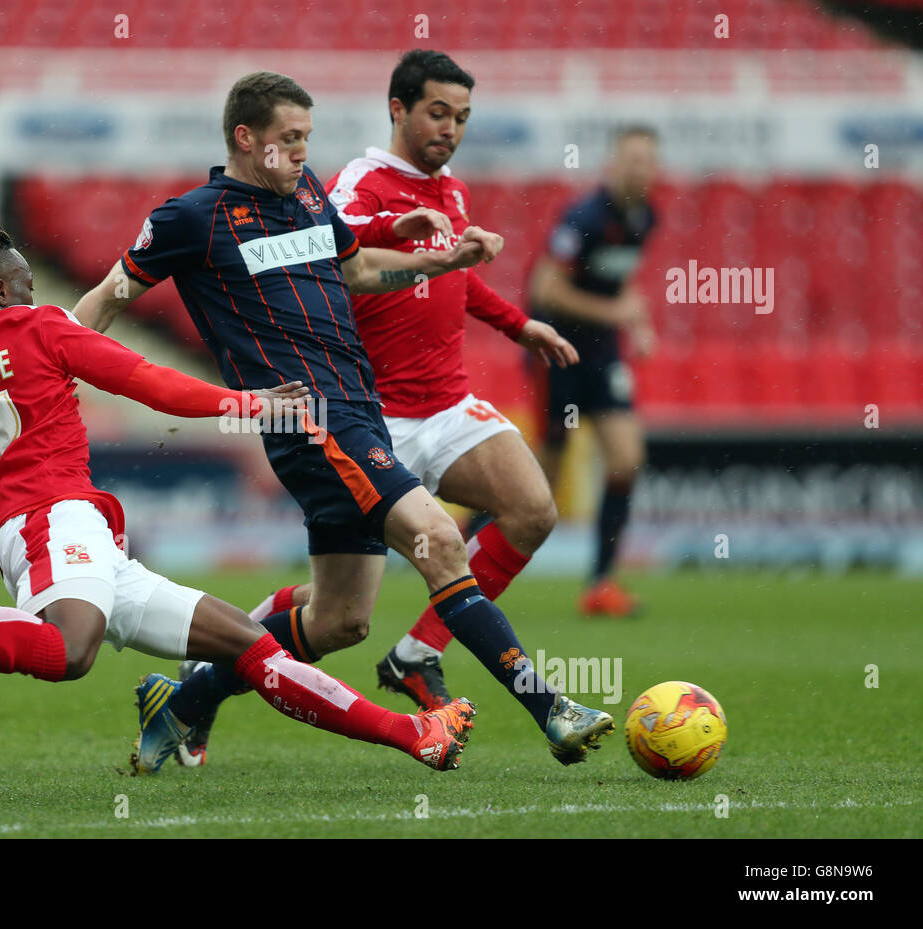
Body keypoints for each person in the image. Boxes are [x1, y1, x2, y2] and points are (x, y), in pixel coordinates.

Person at [0, 196, 479, 775]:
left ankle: (415, 734)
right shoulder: (40, 328)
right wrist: (243, 403)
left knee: (246, 647)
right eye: (30, 281)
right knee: (69, 652)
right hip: (52, 524)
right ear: (8, 287)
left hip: (77, 539)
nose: (36, 291)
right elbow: (145, 382)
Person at [74, 71, 614, 770]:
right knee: (439, 538)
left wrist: (443, 258)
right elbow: (105, 300)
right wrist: (50, 363)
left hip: (358, 409)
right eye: (289, 138)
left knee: (339, 621)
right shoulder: (192, 218)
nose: (302, 150)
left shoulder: (306, 195)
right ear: (246, 137)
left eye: (307, 137)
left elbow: (357, 272)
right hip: (310, 418)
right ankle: (553, 711)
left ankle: (184, 700)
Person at [223, 49, 579, 734]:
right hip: (370, 415)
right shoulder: (362, 182)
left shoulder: (451, 190)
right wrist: (398, 233)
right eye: (438, 113)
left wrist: (519, 323)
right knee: (337, 616)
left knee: (533, 510)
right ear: (399, 109)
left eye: (463, 118)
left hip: (447, 404)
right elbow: (332, 247)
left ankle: (418, 650)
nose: (450, 129)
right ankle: (211, 664)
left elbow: (452, 275)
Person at [527, 126, 660, 617]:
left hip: (603, 355)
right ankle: (464, 546)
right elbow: (545, 290)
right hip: (557, 350)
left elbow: (618, 287)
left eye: (648, 161)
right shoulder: (584, 217)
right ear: (611, 165)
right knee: (544, 480)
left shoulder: (646, 218)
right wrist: (618, 315)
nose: (639, 169)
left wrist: (638, 324)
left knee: (626, 457)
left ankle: (601, 584)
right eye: (631, 160)